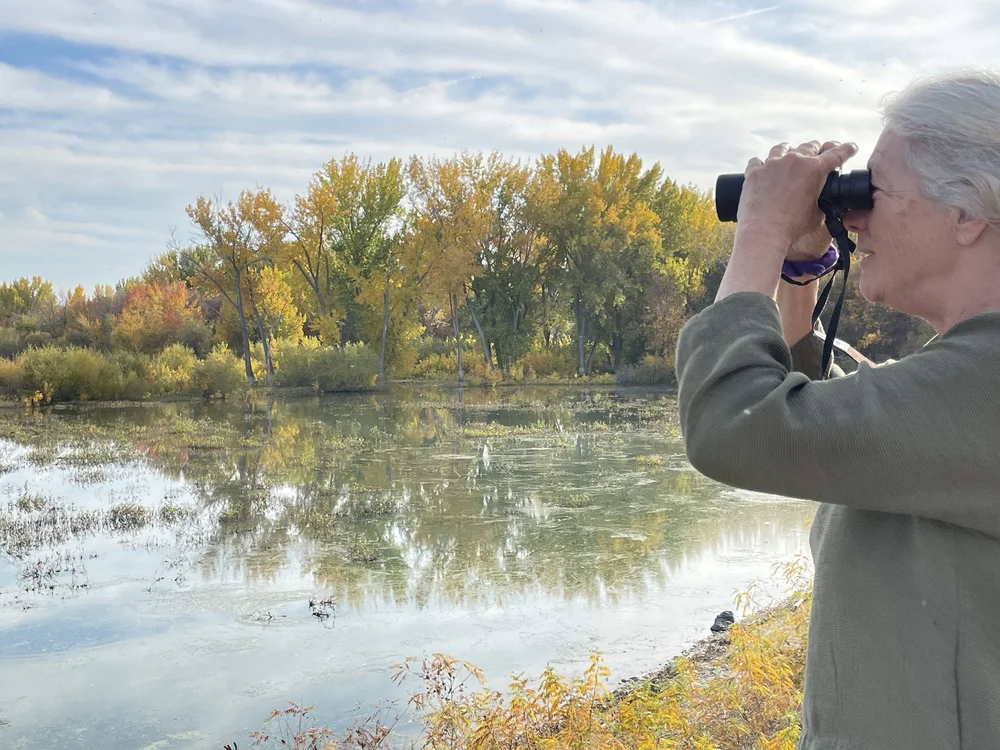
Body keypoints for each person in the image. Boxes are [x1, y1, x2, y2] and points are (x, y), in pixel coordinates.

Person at [675, 67, 1000, 749]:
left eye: (870, 193)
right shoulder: (964, 377)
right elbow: (822, 433)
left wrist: (760, 233)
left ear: (967, 212)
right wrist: (799, 275)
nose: (850, 216)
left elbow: (731, 424)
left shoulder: (984, 384)